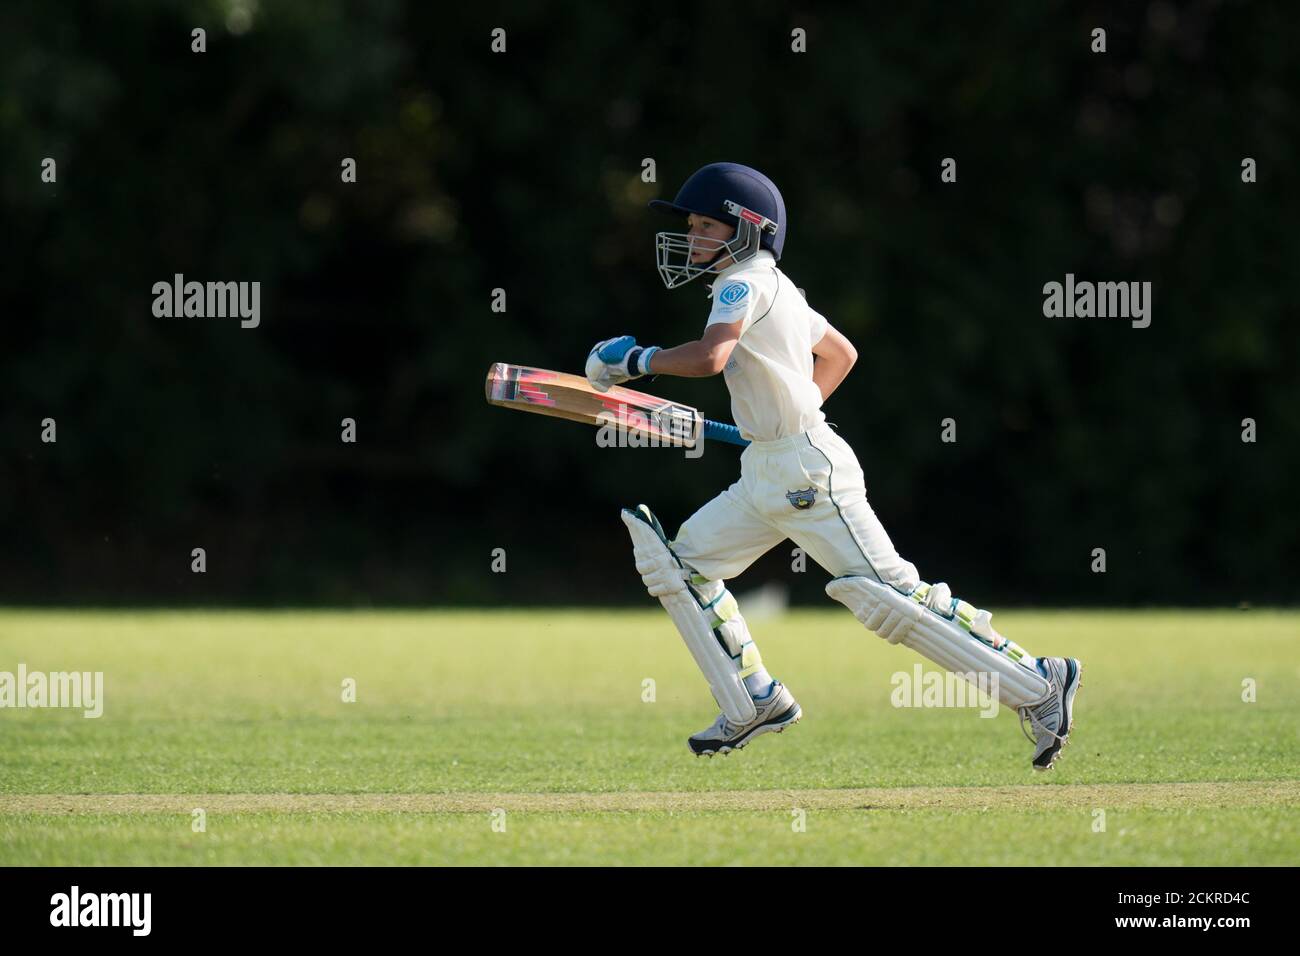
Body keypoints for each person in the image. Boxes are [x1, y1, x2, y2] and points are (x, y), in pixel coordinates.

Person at [586, 162, 1082, 771]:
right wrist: (791, 413)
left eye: (703, 225)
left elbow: (712, 358)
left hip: (803, 471)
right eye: (690, 226)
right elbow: (840, 353)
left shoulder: (740, 283)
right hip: (769, 469)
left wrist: (636, 359)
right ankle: (752, 701)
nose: (691, 239)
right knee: (679, 567)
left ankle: (1039, 683)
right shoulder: (780, 286)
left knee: (890, 599)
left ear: (745, 229)